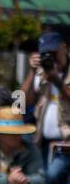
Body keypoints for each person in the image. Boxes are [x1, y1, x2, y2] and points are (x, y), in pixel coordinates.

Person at [25, 31, 68, 165]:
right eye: (46, 54)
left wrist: (57, 81)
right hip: (41, 142)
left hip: (66, 144)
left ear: (64, 48)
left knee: (52, 177)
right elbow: (20, 104)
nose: (51, 58)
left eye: (54, 52)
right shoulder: (41, 73)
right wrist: (31, 72)